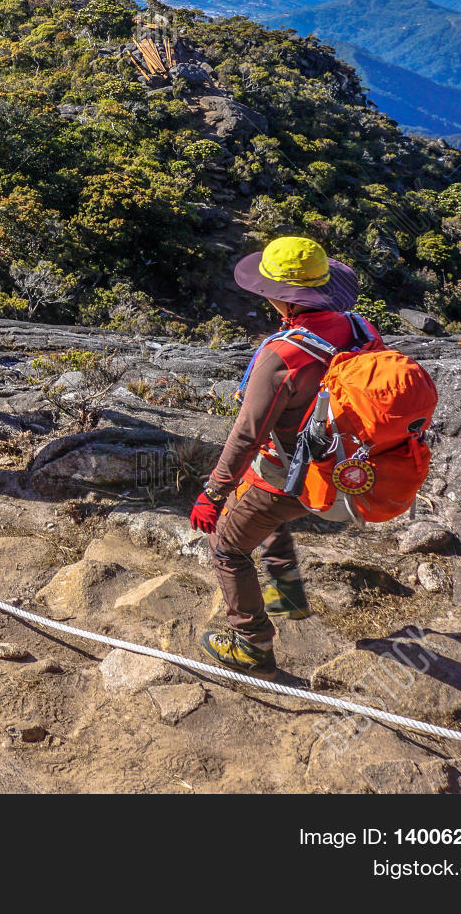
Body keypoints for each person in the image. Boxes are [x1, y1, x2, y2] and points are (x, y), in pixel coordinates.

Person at [190, 237, 365, 678]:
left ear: (280, 296)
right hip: (341, 462)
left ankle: (253, 646)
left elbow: (248, 434)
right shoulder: (359, 328)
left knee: (227, 547)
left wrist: (212, 493)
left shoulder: (282, 354)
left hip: (288, 474)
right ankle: (285, 594)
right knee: (259, 520)